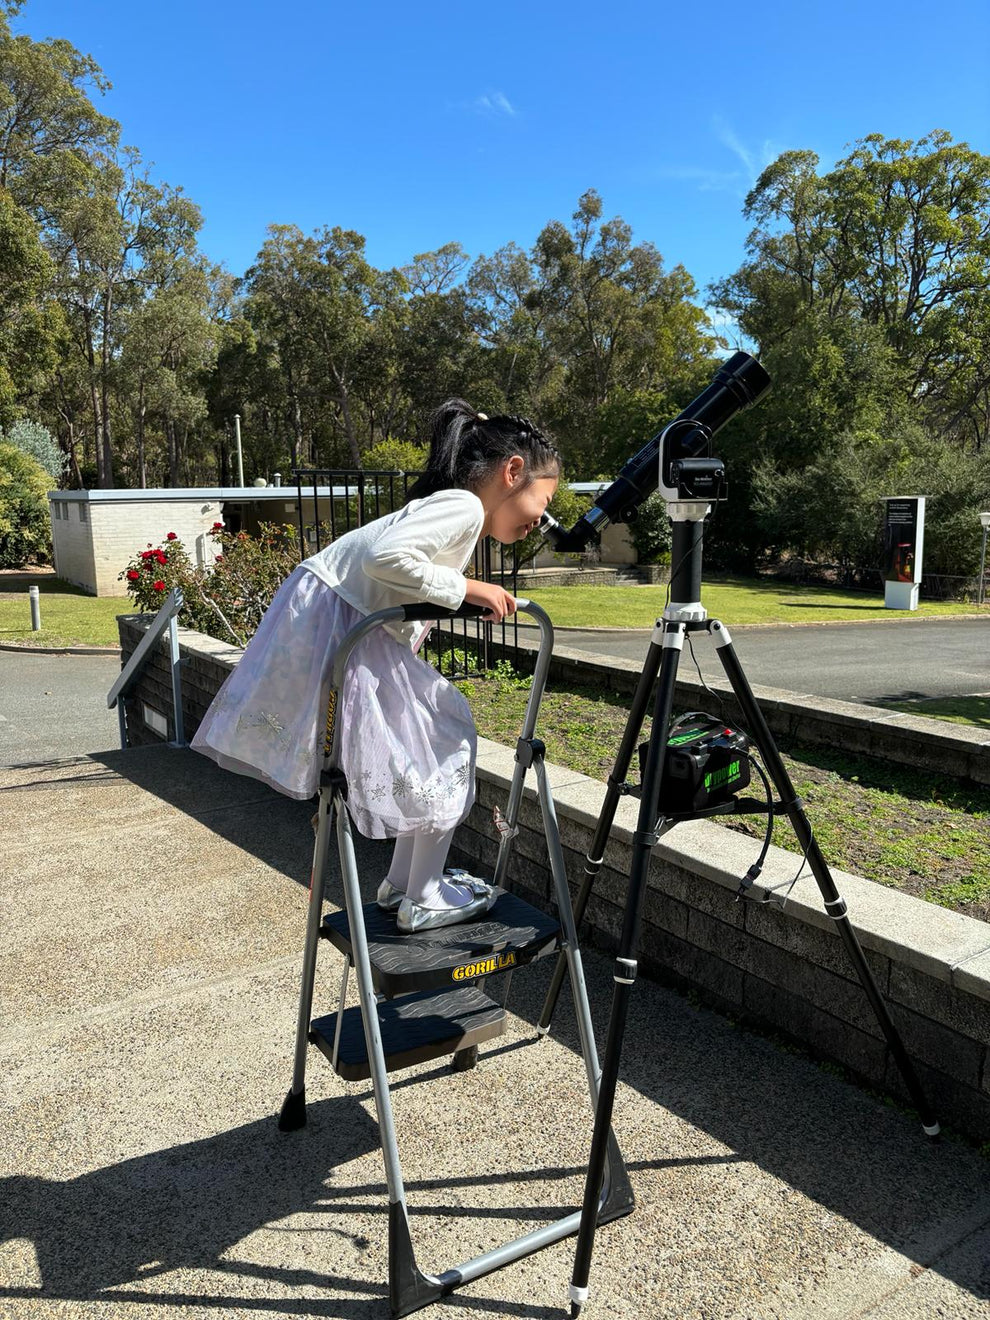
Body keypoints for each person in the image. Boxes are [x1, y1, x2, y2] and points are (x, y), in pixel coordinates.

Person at [192, 400, 560, 933]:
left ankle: (404, 885)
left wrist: (460, 594)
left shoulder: (455, 511)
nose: (540, 521)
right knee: (447, 740)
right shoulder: (462, 506)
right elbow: (383, 559)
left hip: (339, 624)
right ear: (513, 471)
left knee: (427, 744)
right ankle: (424, 892)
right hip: (344, 627)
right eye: (543, 502)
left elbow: (396, 575)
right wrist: (468, 588)